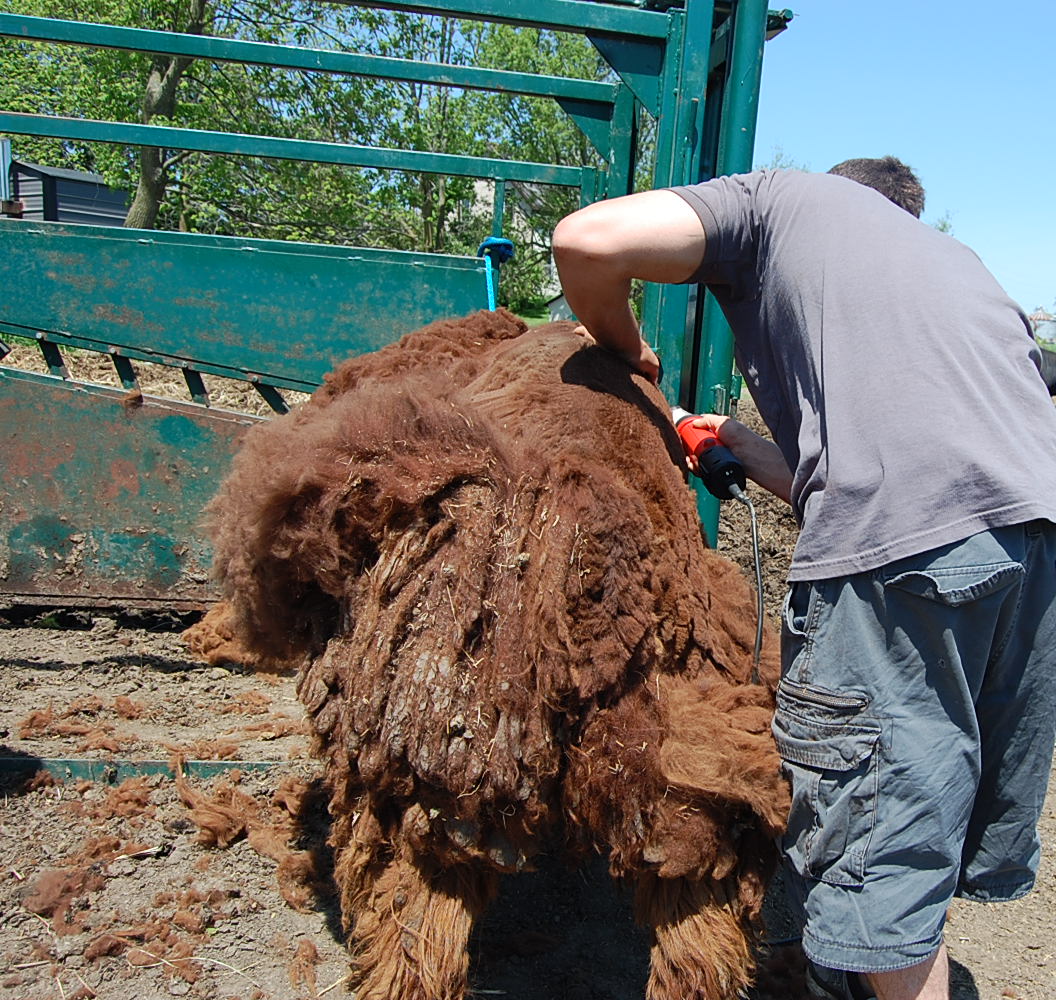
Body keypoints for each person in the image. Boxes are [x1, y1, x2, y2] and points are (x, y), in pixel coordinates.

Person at [551, 157, 1056, 1000]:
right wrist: (747, 449)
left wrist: (627, 349)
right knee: (928, 797)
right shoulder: (959, 267)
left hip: (904, 562)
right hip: (1033, 548)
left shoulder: (779, 198)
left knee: (878, 858)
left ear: (838, 188)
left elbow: (586, 239)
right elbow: (931, 468)